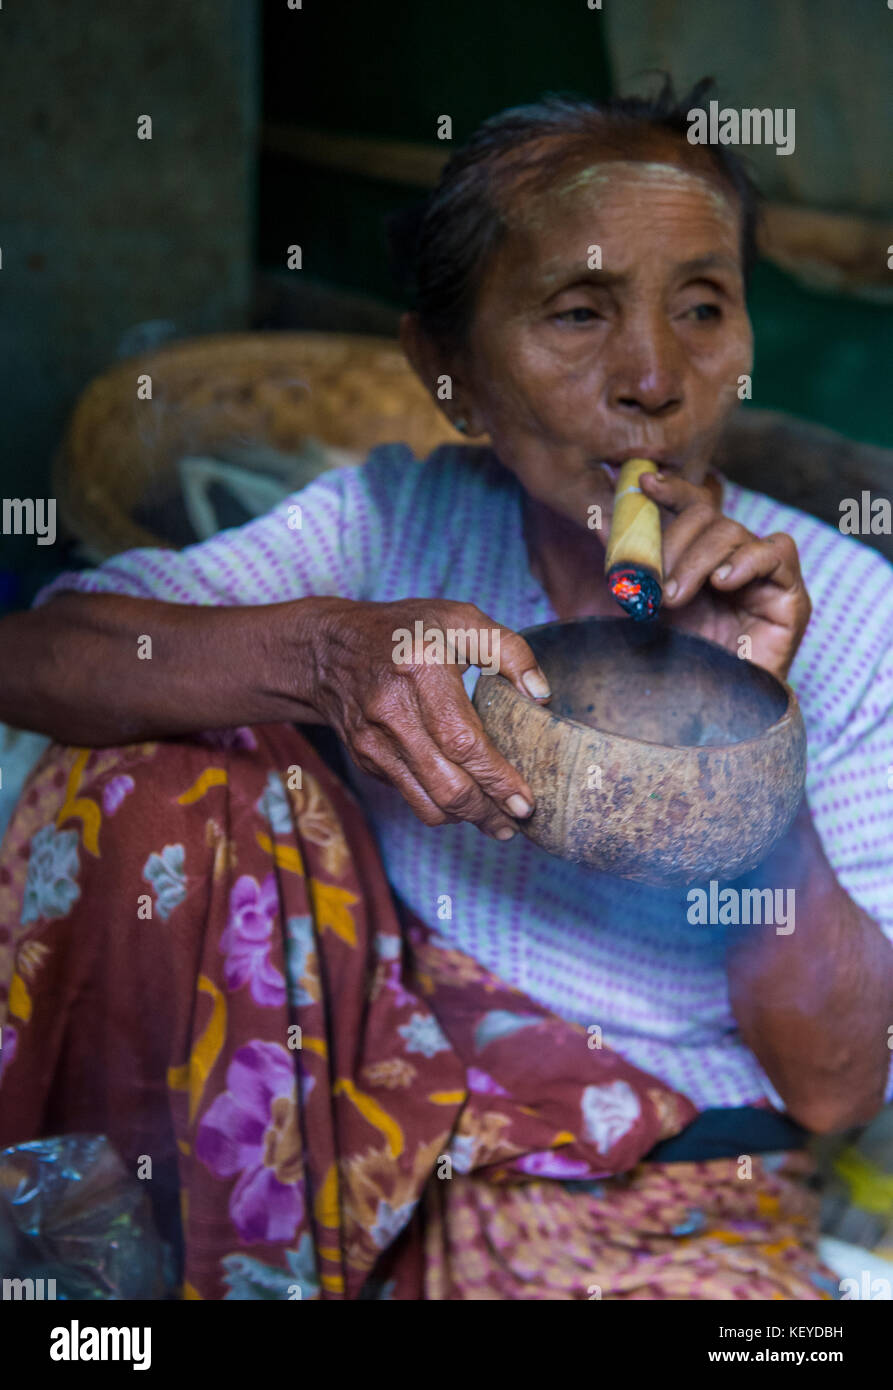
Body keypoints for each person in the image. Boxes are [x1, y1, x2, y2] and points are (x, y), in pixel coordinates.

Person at [1, 78, 891, 1300]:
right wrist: (324, 651)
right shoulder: (395, 520)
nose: (652, 377)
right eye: (578, 313)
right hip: (360, 1080)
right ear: (451, 375)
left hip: (656, 1171)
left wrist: (736, 743)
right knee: (148, 778)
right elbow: (42, 656)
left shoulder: (843, 610)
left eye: (701, 306)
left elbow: (838, 1084)